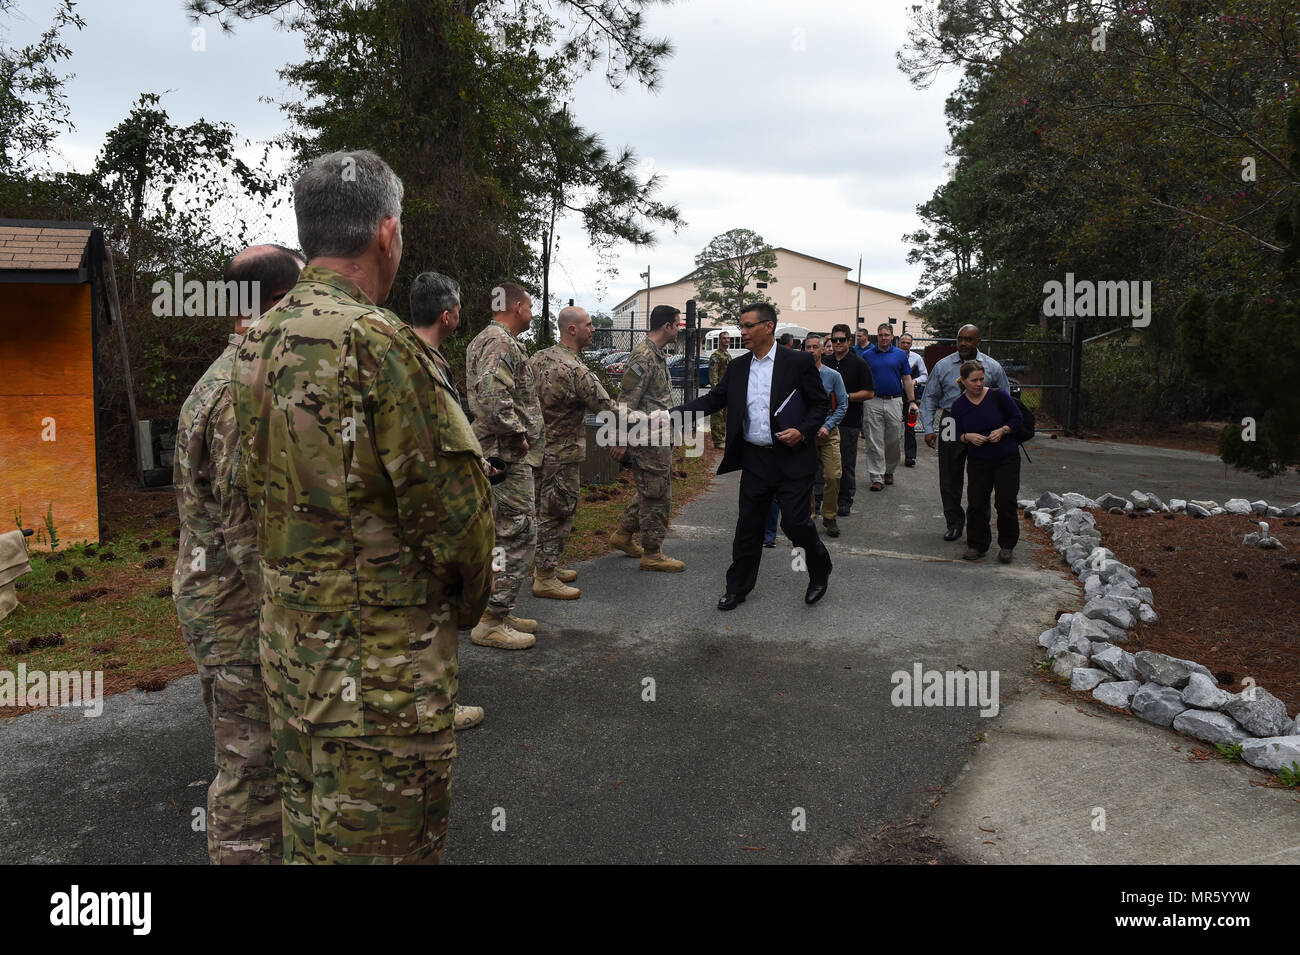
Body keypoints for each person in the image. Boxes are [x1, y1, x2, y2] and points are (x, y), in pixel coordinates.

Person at [233, 150, 494, 864]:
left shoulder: (254, 345)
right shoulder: (382, 345)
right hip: (381, 687)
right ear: (387, 234)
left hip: (291, 670)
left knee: (312, 844)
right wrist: (467, 607)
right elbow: (459, 521)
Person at [174, 243, 303, 864]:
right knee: (251, 773)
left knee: (257, 761)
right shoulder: (238, 391)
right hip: (237, 613)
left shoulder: (229, 375)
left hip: (222, 601)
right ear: (282, 303)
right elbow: (248, 533)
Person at [673, 302, 832, 609]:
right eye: (742, 326)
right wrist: (672, 415)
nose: (742, 332)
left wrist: (801, 430)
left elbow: (819, 406)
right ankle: (738, 587)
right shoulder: (738, 367)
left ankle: (819, 567)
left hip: (792, 457)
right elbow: (712, 400)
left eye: (748, 326)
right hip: (756, 459)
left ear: (768, 326)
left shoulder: (797, 362)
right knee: (749, 525)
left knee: (796, 524)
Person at [407, 271, 493, 731]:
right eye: (459, 309)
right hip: (432, 508)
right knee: (431, 607)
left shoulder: (414, 356)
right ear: (448, 314)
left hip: (423, 503)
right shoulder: (418, 364)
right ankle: (434, 705)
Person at [465, 281, 545, 650]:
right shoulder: (499, 342)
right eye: (530, 306)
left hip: (501, 453)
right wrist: (518, 436)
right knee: (518, 531)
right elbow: (493, 397)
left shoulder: (490, 340)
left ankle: (498, 607)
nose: (533, 312)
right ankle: (491, 619)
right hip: (506, 456)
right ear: (516, 307)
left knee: (502, 532)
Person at [528, 306, 620, 597]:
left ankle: (546, 566)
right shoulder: (575, 370)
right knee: (558, 513)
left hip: (535, 453)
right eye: (589, 325)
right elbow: (607, 409)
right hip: (563, 455)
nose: (593, 330)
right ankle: (544, 577)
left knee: (541, 511)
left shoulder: (536, 359)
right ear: (572, 329)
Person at [610, 304, 685, 572]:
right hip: (648, 439)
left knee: (651, 488)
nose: (679, 329)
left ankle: (623, 534)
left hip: (658, 437)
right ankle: (652, 553)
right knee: (657, 495)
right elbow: (625, 402)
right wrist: (619, 439)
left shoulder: (657, 355)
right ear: (667, 326)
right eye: (677, 324)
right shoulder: (643, 357)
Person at [921, 324, 1009, 541]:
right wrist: (929, 428)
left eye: (969, 339)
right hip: (951, 421)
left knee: (982, 478)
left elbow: (1006, 398)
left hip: (983, 423)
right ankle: (954, 523)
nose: (963, 343)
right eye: (960, 339)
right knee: (949, 476)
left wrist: (1003, 429)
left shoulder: (992, 367)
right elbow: (930, 397)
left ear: (978, 342)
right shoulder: (943, 366)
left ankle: (979, 526)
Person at [950, 360, 1023, 562]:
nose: (979, 384)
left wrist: (1003, 430)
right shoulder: (958, 405)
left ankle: (1007, 545)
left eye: (981, 379)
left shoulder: (998, 396)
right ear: (964, 381)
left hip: (1006, 457)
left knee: (1005, 501)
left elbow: (1017, 418)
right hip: (978, 460)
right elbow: (952, 433)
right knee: (977, 502)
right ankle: (977, 544)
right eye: (974, 380)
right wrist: (968, 437)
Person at [821, 324, 874, 516]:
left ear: (849, 341)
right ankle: (820, 497)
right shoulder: (824, 362)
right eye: (834, 340)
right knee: (821, 463)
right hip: (824, 421)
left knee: (845, 463)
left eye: (841, 340)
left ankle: (844, 500)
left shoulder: (859, 364)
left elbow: (869, 392)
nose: (837, 343)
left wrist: (845, 397)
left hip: (848, 421)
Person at [860, 323, 916, 492]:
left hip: (895, 401)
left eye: (886, 335)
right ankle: (876, 476)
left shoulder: (900, 355)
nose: (883, 338)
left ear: (892, 337)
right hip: (873, 401)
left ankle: (889, 471)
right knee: (873, 441)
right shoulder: (867, 355)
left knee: (893, 440)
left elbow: (907, 379)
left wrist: (912, 401)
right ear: (876, 336)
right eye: (880, 335)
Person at [803, 333, 848, 538]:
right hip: (806, 434)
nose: (812, 351)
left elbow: (842, 405)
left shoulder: (833, 376)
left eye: (815, 347)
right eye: (808, 347)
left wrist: (828, 426)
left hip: (828, 432)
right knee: (807, 476)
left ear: (822, 349)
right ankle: (809, 516)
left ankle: (829, 515)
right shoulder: (799, 374)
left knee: (833, 475)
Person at [898, 334, 928, 467]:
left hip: (910, 396)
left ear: (911, 344)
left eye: (908, 343)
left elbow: (925, 375)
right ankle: (889, 456)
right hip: (894, 394)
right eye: (903, 342)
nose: (905, 345)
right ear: (899, 343)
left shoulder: (916, 358)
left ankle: (910, 456)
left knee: (910, 426)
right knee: (891, 427)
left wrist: (914, 381)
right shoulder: (893, 355)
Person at [708, 330, 732, 451]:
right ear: (720, 340)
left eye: (728, 338)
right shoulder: (715, 356)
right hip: (719, 391)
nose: (727, 340)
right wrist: (716, 390)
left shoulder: (727, 355)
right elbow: (713, 375)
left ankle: (723, 438)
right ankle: (718, 441)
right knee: (717, 415)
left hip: (727, 390)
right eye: (724, 338)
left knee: (726, 416)